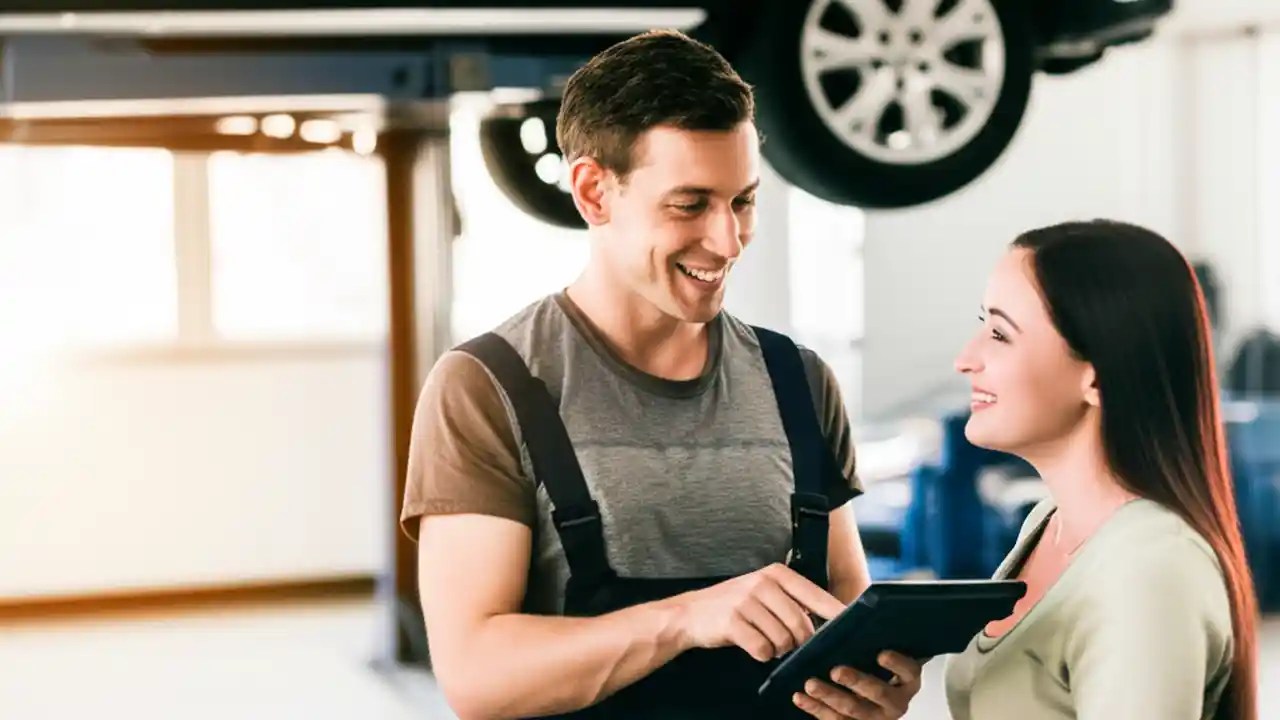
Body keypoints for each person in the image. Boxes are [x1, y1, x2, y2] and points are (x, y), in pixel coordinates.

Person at [400, 29, 924, 720]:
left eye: (743, 201)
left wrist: (873, 686)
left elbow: (846, 612)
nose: (727, 241)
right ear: (593, 192)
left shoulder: (799, 382)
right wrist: (684, 620)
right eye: (690, 204)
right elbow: (476, 676)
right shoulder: (487, 387)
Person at [946, 220, 1259, 720]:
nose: (966, 359)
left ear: (1096, 377)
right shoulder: (1047, 524)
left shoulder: (1147, 569)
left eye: (1000, 334)